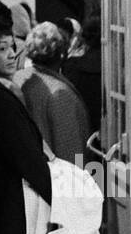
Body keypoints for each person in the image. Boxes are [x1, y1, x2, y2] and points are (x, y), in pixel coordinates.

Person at [0, 14, 53, 234]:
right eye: (1, 49)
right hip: (9, 207)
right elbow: (25, 154)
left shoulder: (1, 91)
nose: (11, 55)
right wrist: (55, 193)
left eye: (12, 47)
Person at [14, 22, 91, 169]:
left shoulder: (18, 78)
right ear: (62, 53)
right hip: (56, 174)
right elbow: (71, 150)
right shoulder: (60, 93)